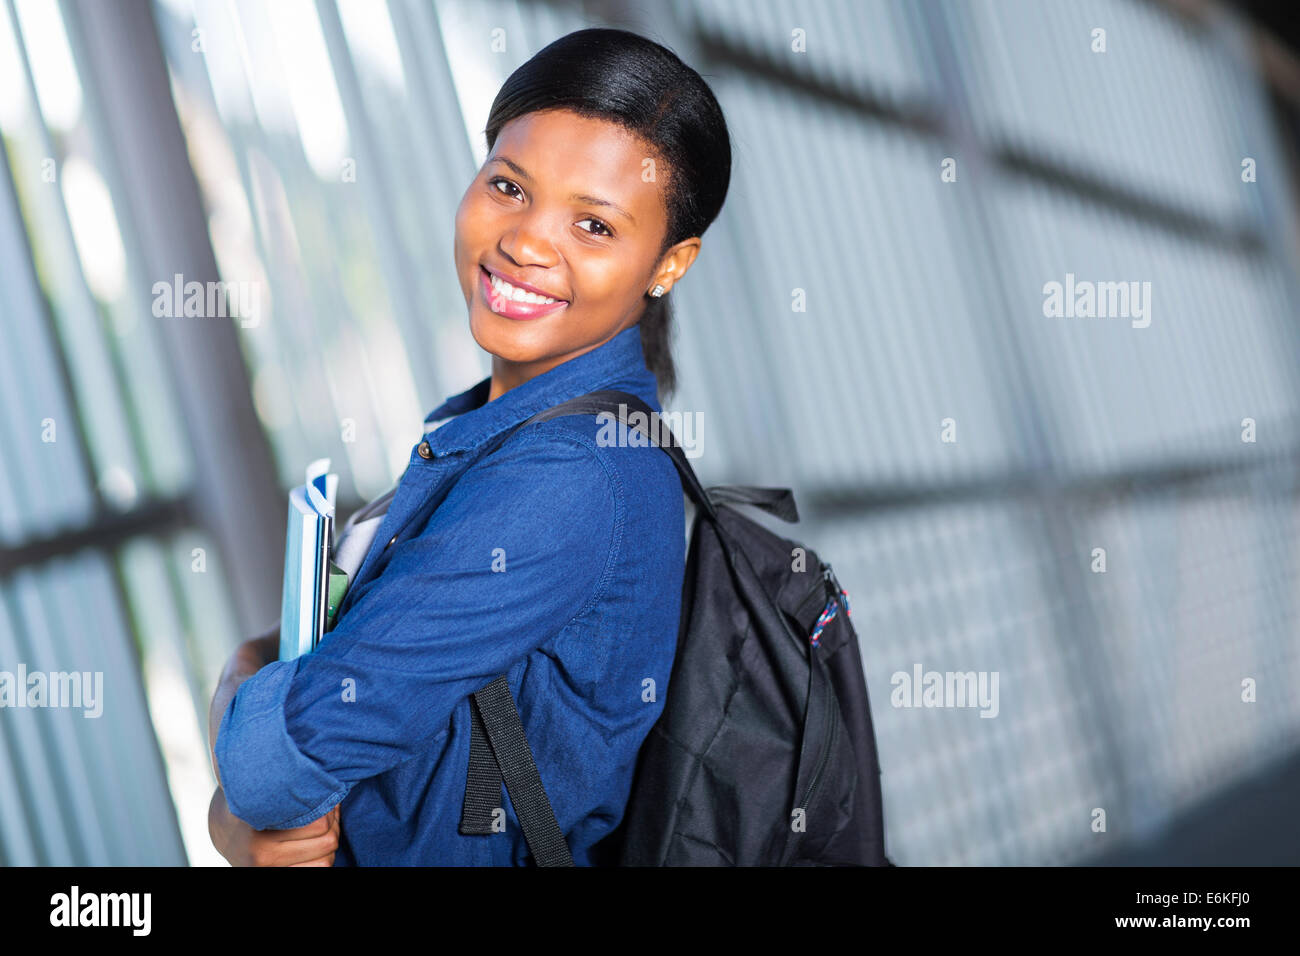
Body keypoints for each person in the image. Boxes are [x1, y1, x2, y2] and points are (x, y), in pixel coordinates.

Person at [206, 26, 732, 866]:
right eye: (510, 186)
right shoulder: (514, 428)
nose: (525, 243)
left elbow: (269, 772)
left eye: (593, 226)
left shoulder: (572, 477)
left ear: (669, 264)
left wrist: (236, 701)